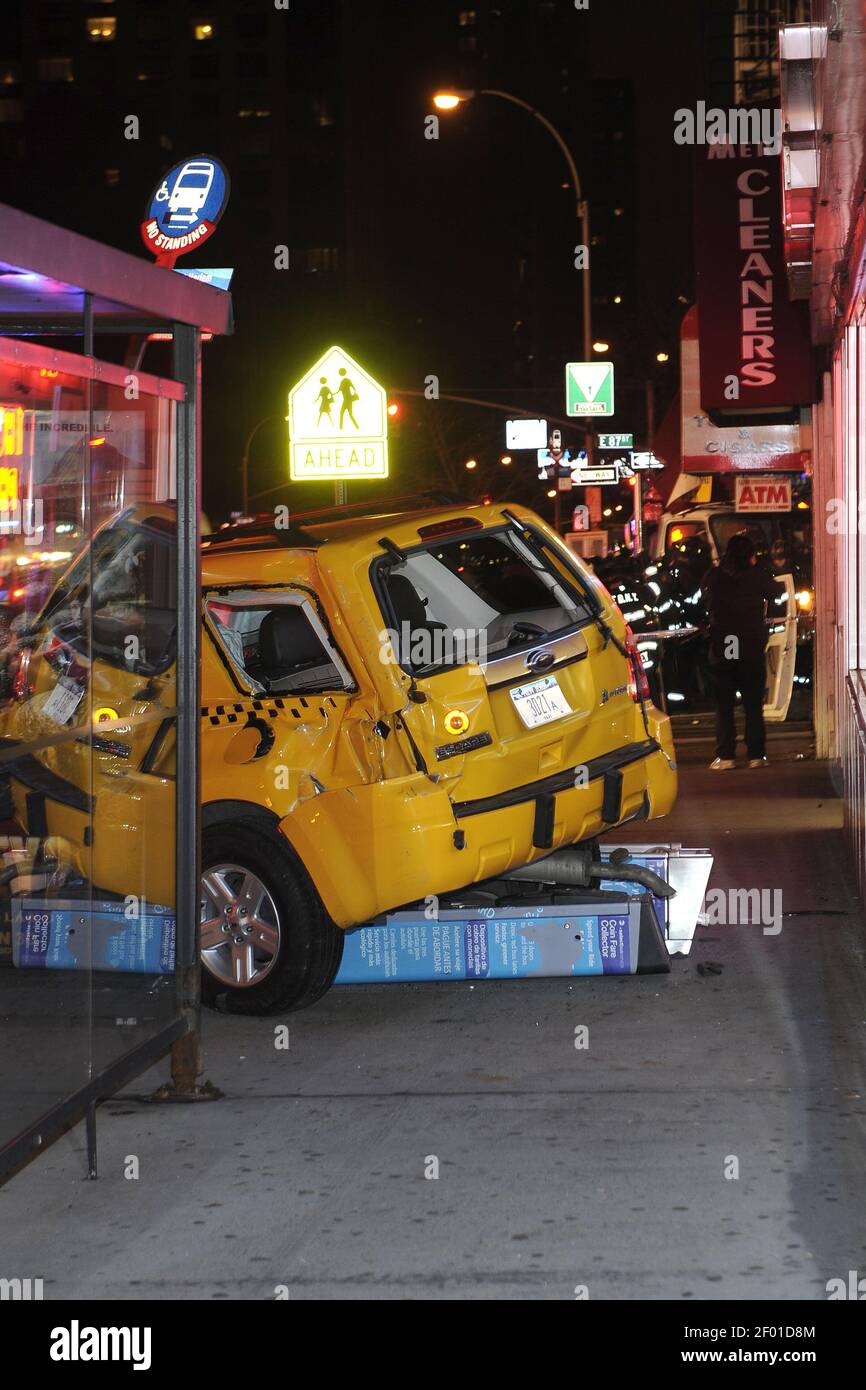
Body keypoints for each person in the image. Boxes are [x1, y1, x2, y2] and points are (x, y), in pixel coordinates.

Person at [701, 531, 786, 770]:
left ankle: (726, 755)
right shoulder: (757, 575)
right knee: (752, 704)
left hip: (725, 646)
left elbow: (702, 601)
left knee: (725, 705)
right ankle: (756, 755)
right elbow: (777, 593)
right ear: (750, 556)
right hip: (750, 647)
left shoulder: (715, 575)